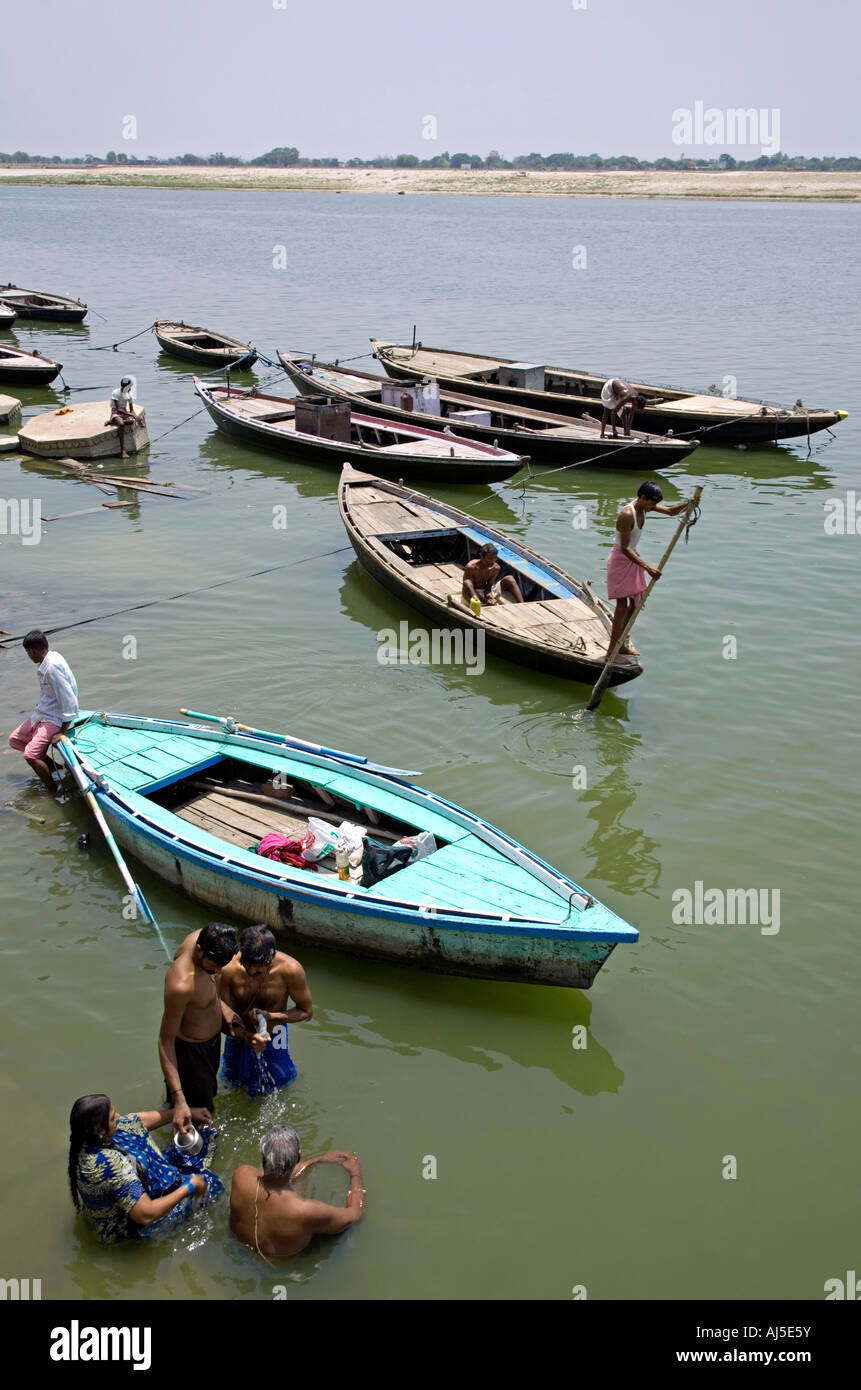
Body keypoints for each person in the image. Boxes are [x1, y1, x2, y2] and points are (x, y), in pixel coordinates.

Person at [68, 1093, 221, 1245]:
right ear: (100, 1131)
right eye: (113, 1117)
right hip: (131, 1227)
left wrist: (181, 1112)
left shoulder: (85, 1139)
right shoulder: (109, 1165)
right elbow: (145, 1214)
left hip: (131, 1189)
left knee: (196, 1143)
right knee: (210, 1186)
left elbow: (135, 1121)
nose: (118, 1117)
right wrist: (189, 1187)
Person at [230, 1126, 364, 1261]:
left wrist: (317, 1160)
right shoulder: (305, 1211)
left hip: (239, 1248)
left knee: (297, 1181)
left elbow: (274, 1176)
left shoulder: (241, 1175)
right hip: (279, 1265)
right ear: (298, 1156)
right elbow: (354, 1214)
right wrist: (355, 1174)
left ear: (263, 1153)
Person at [158, 923, 240, 1134]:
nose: (218, 972)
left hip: (210, 1044)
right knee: (198, 1115)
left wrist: (225, 1012)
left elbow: (210, 992)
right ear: (199, 950)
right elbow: (165, 1040)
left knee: (208, 1100)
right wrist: (179, 1098)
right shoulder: (181, 984)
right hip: (191, 1055)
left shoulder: (202, 937)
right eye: (213, 967)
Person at [219, 926, 312, 1097]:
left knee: (279, 1083)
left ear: (270, 958)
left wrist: (271, 1016)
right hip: (239, 1033)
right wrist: (245, 1036)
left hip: (275, 1033)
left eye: (258, 970)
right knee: (233, 1081)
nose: (251, 972)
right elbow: (220, 1011)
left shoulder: (290, 970)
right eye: (247, 966)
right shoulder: (228, 969)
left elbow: (306, 1011)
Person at [605, 482, 691, 661]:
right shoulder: (627, 514)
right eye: (651, 503)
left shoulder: (645, 508)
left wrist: (689, 504)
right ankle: (610, 653)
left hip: (633, 558)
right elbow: (625, 548)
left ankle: (621, 645)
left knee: (634, 605)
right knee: (621, 606)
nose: (653, 507)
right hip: (621, 560)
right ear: (643, 498)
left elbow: (671, 512)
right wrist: (648, 567)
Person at [8, 630, 78, 796]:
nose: (28, 656)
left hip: (55, 718)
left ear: (32, 650)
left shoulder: (52, 667)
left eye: (27, 652)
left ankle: (54, 790)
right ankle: (55, 768)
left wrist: (62, 732)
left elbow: (69, 700)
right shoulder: (47, 660)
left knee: (30, 756)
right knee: (16, 740)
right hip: (44, 712)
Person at [461, 544, 524, 608]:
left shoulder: (495, 568)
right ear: (482, 556)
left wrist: (490, 597)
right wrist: (485, 601)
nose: (492, 561)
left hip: (484, 593)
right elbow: (468, 587)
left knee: (510, 578)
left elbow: (488, 588)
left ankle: (523, 605)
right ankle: (480, 604)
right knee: (467, 582)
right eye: (489, 558)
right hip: (471, 595)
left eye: (495, 558)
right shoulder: (471, 567)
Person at [106, 375, 143, 459]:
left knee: (131, 421)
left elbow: (131, 410)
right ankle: (123, 450)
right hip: (116, 412)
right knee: (122, 424)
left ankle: (112, 422)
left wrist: (137, 419)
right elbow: (119, 409)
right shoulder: (116, 393)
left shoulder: (129, 395)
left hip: (125, 413)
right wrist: (131, 414)